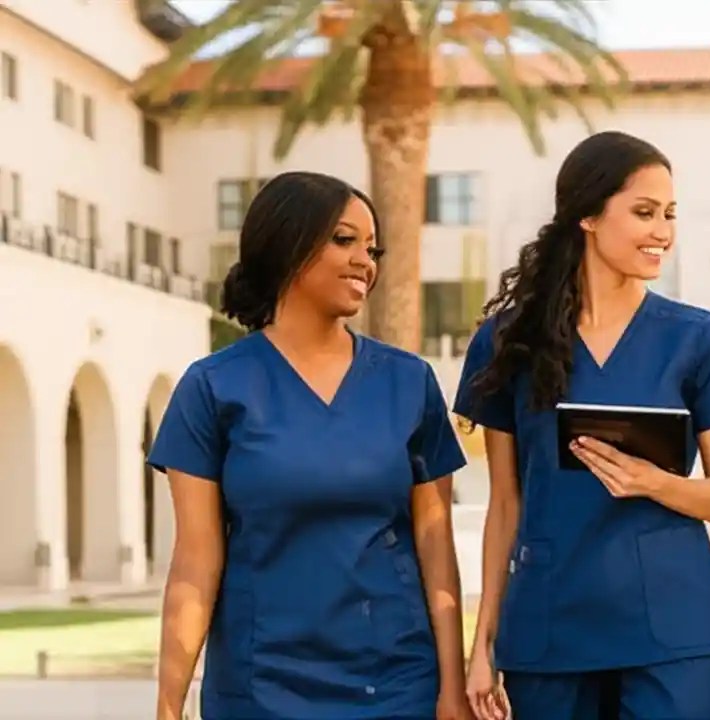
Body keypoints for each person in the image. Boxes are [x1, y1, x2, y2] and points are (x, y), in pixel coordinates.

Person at [454, 130, 710, 720]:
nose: (663, 232)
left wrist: (652, 481)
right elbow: (505, 507)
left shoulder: (698, 338)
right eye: (644, 212)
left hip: (676, 632)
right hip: (549, 628)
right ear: (588, 216)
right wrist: (483, 643)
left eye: (670, 214)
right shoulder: (509, 342)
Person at [147, 171, 471, 720]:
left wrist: (453, 688)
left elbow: (436, 549)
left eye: (372, 248)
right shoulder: (212, 388)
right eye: (344, 240)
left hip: (395, 684)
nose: (365, 262)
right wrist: (168, 706)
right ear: (287, 244)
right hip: (261, 686)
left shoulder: (409, 382)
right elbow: (195, 564)